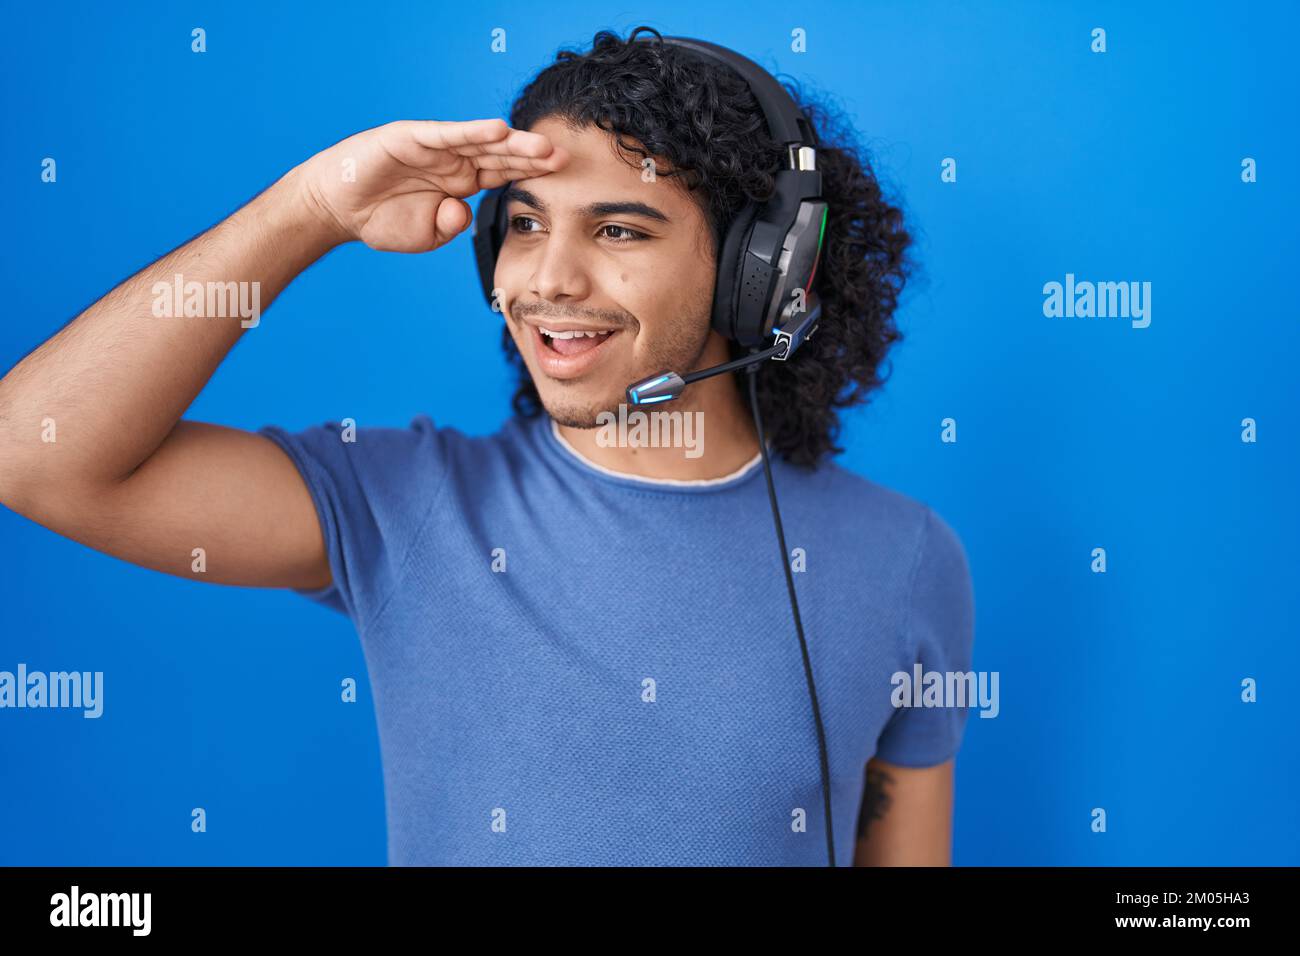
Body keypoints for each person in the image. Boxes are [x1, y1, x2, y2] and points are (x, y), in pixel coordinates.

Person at [0, 26, 974, 866]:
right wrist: (309, 211)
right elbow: (35, 452)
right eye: (522, 225)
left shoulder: (906, 556)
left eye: (620, 229)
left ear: (763, 274)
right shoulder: (405, 505)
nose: (548, 278)